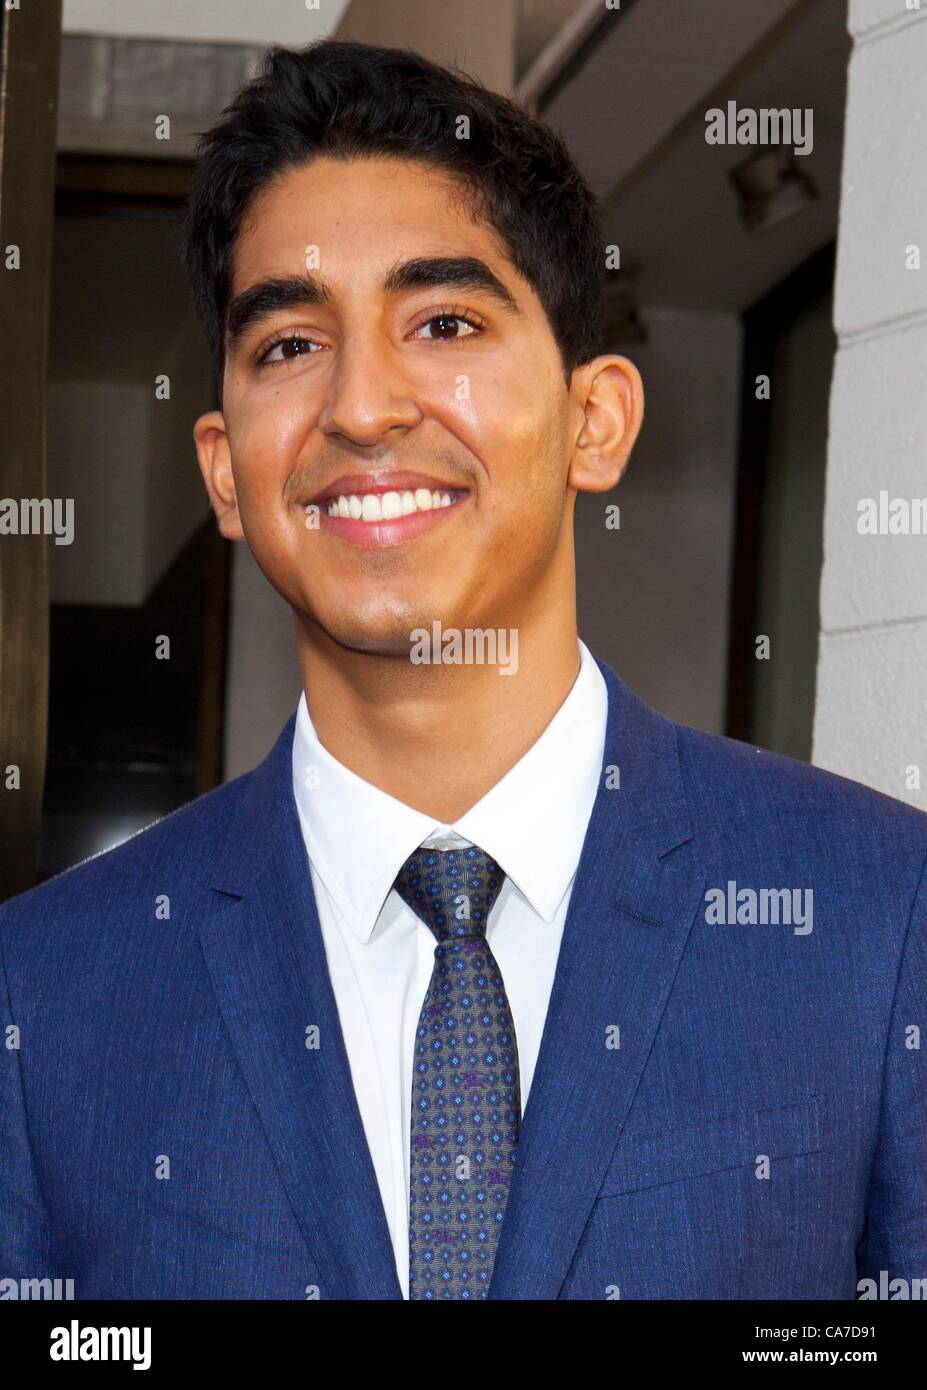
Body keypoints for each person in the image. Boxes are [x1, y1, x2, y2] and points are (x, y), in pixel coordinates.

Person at [1, 40, 925, 1302]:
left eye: (444, 321)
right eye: (288, 345)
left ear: (593, 421)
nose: (363, 406)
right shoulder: (47, 994)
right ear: (225, 469)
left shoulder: (880, 918)